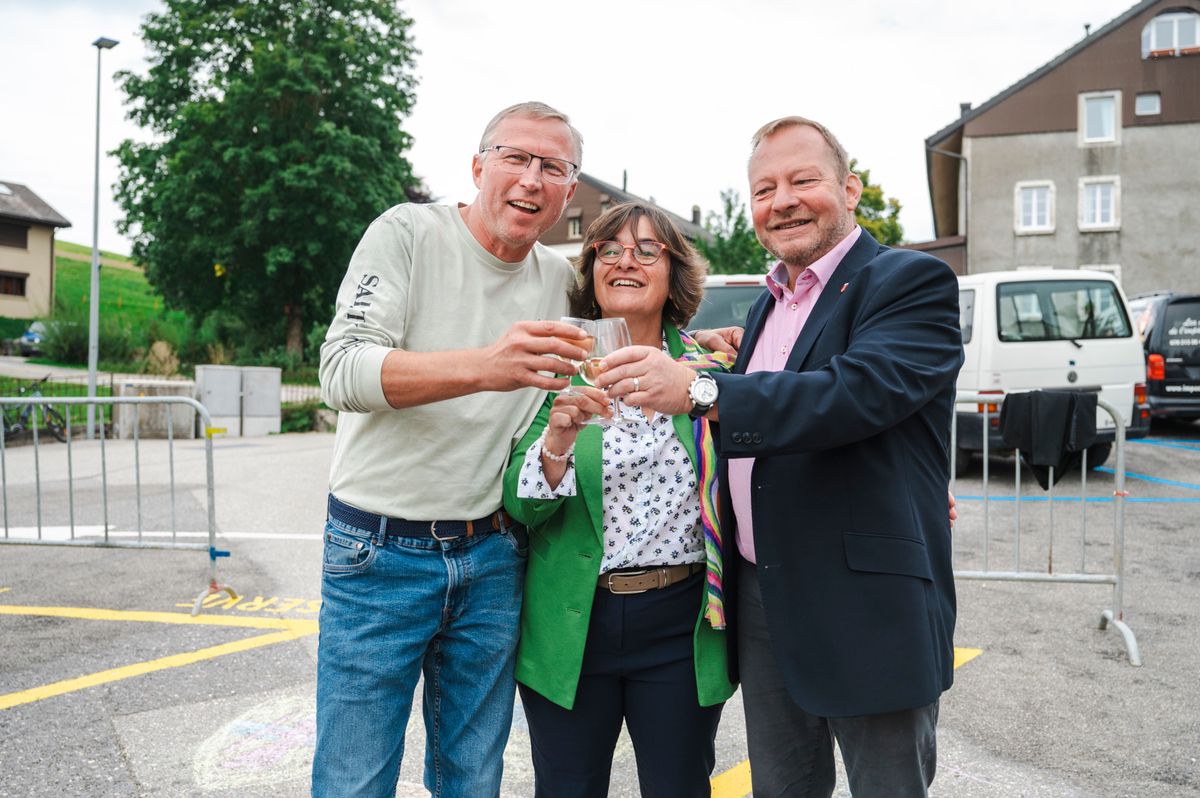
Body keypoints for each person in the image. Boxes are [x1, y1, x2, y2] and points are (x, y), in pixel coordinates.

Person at [599, 116, 964, 797]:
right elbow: (774, 399)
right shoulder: (770, 306)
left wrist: (702, 389)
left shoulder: (910, 280)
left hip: (866, 602)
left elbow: (855, 393)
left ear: (850, 189)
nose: (783, 201)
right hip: (764, 596)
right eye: (764, 189)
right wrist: (697, 358)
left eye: (804, 180)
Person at [314, 101, 597, 798]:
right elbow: (341, 371)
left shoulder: (559, 280)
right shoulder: (408, 232)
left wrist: (707, 346)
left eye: (553, 168)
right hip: (376, 552)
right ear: (478, 167)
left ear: (569, 192)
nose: (532, 180)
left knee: (472, 779)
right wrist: (486, 365)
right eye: (515, 158)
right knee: (355, 780)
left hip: (494, 557)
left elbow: (628, 333)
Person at [502, 201, 736, 798]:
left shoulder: (712, 371)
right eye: (608, 251)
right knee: (567, 788)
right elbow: (523, 507)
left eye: (646, 249)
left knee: (679, 786)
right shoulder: (557, 369)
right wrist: (556, 440)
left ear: (674, 272)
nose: (624, 261)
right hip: (576, 622)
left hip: (680, 622)